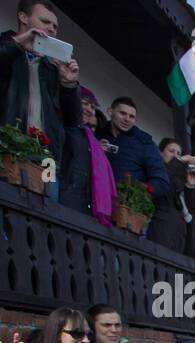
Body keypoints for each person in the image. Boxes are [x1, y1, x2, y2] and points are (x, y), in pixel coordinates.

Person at [0, 2, 81, 184]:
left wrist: (69, 84)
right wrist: (18, 45)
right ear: (23, 17)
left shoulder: (53, 67)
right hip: (6, 149)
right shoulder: (5, 46)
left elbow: (73, 120)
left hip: (46, 160)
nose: (51, 29)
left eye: (55, 26)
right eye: (45, 21)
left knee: (45, 205)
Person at [59, 85, 115, 224]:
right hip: (64, 195)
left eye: (93, 107)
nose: (90, 109)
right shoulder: (65, 125)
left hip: (84, 202)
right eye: (85, 103)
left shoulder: (89, 137)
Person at [101, 97, 169, 205]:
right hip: (96, 202)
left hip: (124, 211)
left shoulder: (145, 143)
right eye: (122, 113)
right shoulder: (97, 133)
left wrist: (133, 193)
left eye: (131, 116)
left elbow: (161, 182)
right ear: (110, 111)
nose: (127, 119)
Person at [150, 138, 195, 254]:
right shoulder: (156, 170)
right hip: (161, 230)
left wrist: (190, 185)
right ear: (160, 153)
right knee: (161, 268)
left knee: (178, 271)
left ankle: (178, 273)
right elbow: (161, 184)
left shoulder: (181, 177)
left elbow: (193, 207)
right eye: (171, 151)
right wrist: (180, 160)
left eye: (178, 153)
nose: (175, 156)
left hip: (180, 233)